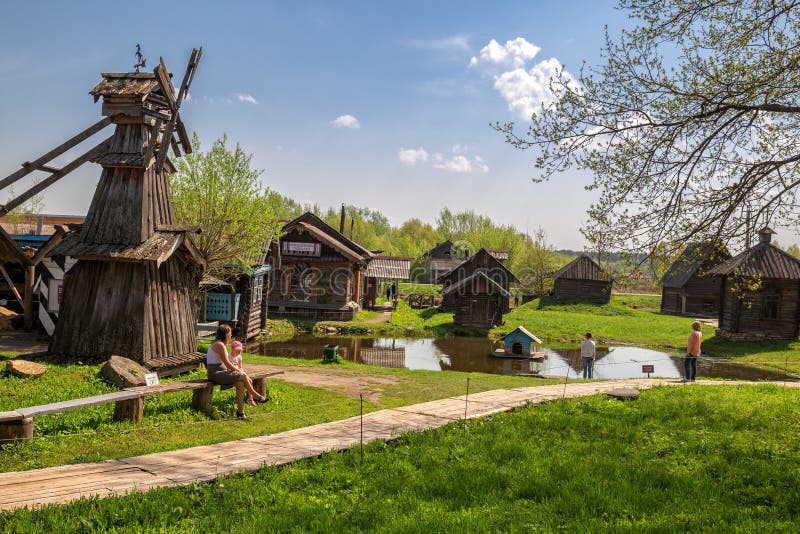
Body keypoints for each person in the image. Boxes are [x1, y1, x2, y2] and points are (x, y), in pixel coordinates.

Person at [206, 325, 265, 419]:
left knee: (240, 384)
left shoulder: (219, 343)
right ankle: (256, 396)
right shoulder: (220, 345)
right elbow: (227, 363)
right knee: (243, 375)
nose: (231, 336)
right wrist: (239, 371)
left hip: (221, 373)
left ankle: (240, 413)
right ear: (225, 335)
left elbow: (226, 364)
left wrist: (236, 371)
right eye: (229, 334)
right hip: (215, 374)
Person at [229, 340, 256, 406]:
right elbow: (229, 368)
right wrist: (238, 371)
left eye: (240, 350)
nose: (239, 352)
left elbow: (240, 367)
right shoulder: (229, 357)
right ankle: (240, 399)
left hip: (239, 372)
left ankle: (250, 399)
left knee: (250, 381)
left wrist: (243, 372)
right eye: (237, 350)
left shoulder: (239, 357)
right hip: (232, 373)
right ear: (232, 349)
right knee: (241, 384)